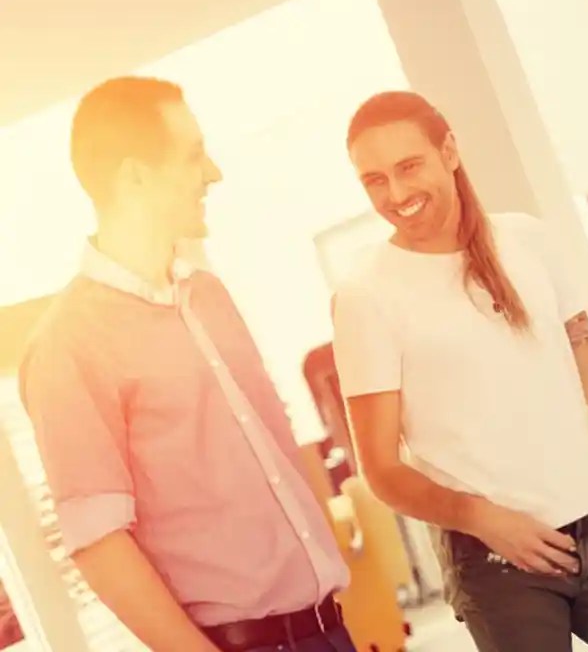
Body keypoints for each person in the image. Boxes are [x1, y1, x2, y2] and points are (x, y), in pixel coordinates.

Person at [330, 91, 588, 652]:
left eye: (409, 167)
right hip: (496, 564)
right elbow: (381, 469)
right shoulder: (366, 294)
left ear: (450, 151)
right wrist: (484, 519)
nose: (395, 194)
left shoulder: (528, 240)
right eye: (374, 180)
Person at [19, 77, 355, 652]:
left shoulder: (208, 294)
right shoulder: (67, 346)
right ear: (135, 177)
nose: (214, 173)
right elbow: (98, 542)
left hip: (328, 630)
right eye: (194, 154)